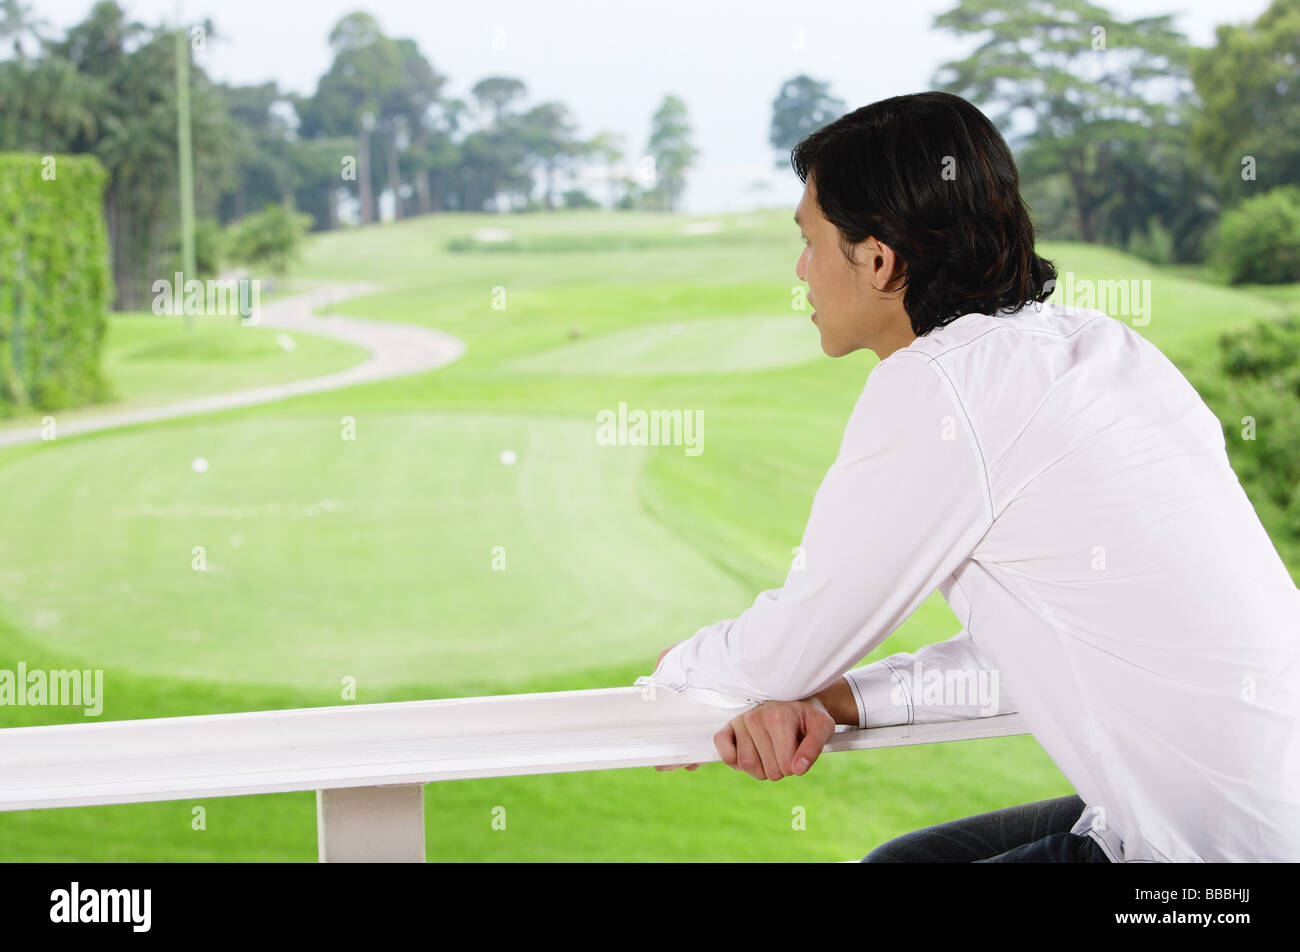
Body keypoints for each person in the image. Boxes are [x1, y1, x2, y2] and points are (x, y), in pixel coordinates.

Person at [635, 90, 1300, 863]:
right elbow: (1039, 648)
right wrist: (835, 699)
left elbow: (786, 646)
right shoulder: (1100, 346)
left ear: (879, 258)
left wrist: (675, 681)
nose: (800, 269)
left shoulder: (943, 384)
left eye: (811, 241)